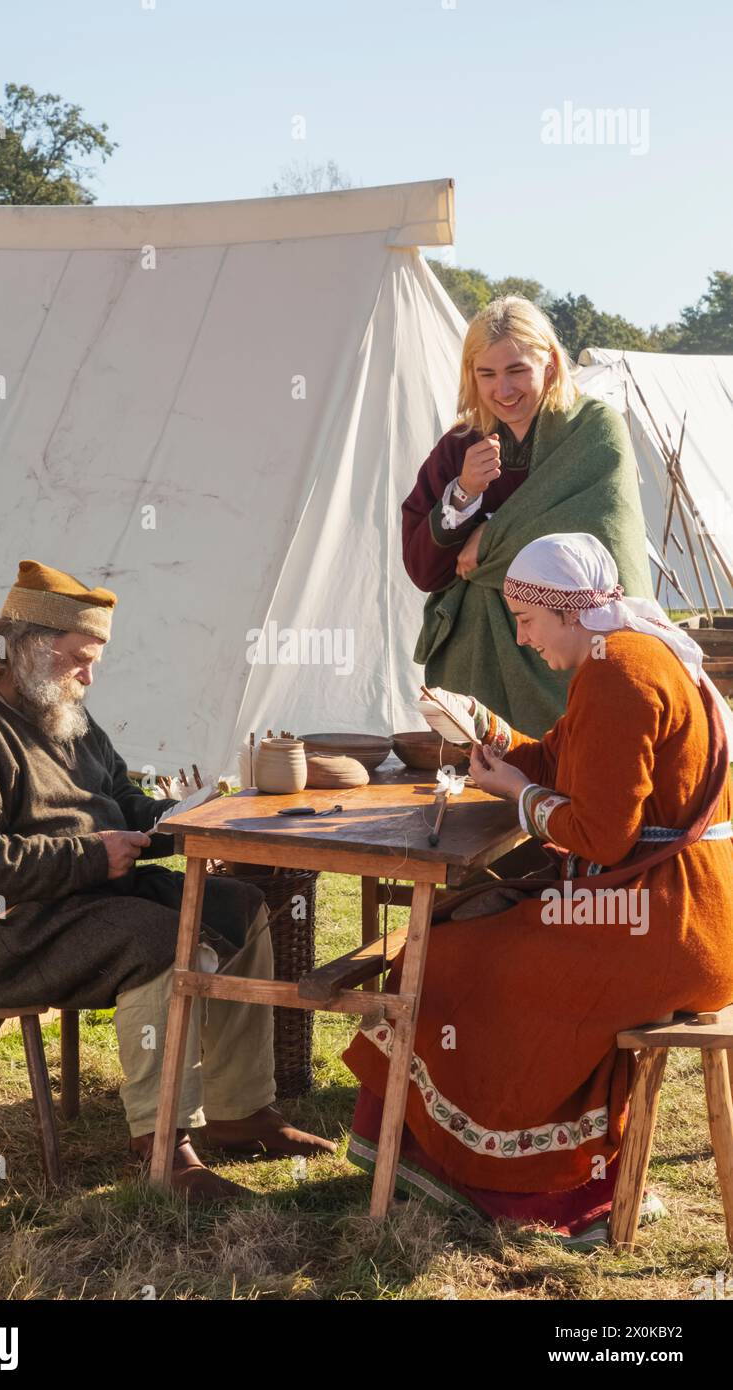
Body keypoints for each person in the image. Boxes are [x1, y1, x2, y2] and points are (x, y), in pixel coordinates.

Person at [343, 533, 733, 1248]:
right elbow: (561, 758)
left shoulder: (622, 672)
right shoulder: (621, 657)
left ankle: (543, 1193)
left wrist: (521, 797)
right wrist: (485, 735)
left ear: (567, 609)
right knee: (465, 933)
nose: (523, 640)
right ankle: (537, 1174)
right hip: (672, 913)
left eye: (527, 622)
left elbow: (600, 835)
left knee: (447, 961)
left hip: (659, 923)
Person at [0, 559, 335, 1202]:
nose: (88, 674)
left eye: (94, 659)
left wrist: (186, 818)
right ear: (24, 647)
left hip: (85, 902)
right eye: (79, 657)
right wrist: (87, 858)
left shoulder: (60, 710)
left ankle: (240, 1111)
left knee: (238, 905)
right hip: (3, 929)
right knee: (159, 938)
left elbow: (118, 798)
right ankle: (164, 1146)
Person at [402, 296, 653, 737]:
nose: (504, 389)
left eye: (517, 370)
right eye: (487, 374)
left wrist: (490, 538)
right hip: (475, 664)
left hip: (566, 663)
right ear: (471, 376)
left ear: (550, 366)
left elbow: (600, 542)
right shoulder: (460, 446)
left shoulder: (594, 431)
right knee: (478, 796)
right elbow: (424, 568)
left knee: (578, 777)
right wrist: (462, 496)